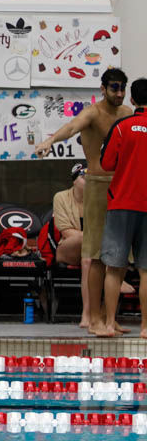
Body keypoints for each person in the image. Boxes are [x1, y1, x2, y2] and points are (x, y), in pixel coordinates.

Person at [34, 68, 132, 337]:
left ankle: (110, 317)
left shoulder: (127, 114)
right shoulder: (92, 113)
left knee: (120, 258)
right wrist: (50, 140)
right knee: (96, 256)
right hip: (98, 187)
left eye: (123, 88)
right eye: (114, 88)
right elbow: (70, 127)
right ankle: (93, 318)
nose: (120, 94)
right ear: (102, 88)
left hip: (124, 187)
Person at [99, 78, 147, 338]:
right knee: (146, 269)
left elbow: (106, 163)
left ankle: (108, 324)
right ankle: (146, 328)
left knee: (114, 267)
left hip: (121, 203)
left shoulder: (122, 126)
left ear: (132, 99)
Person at [51, 163, 92, 327]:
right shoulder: (60, 197)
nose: (88, 180)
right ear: (74, 180)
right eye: (83, 177)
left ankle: (88, 313)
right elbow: (66, 232)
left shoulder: (99, 198)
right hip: (68, 249)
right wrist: (95, 238)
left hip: (93, 252)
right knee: (86, 241)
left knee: (87, 260)